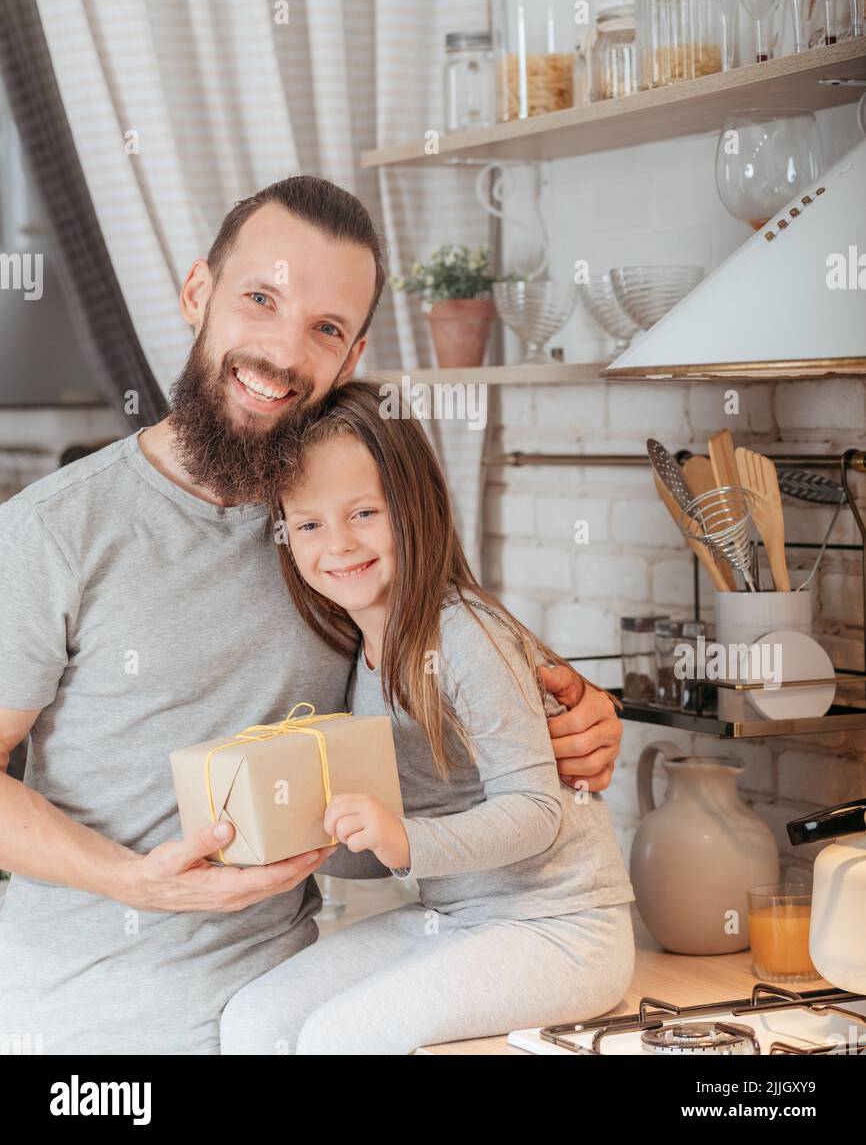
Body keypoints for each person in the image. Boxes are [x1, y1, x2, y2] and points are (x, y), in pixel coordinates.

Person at [0, 175, 624, 1055]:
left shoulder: (332, 524)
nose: (283, 352)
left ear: (351, 354)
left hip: (284, 1009)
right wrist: (140, 883)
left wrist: (583, 713)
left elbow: (462, 657)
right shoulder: (50, 532)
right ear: (196, 293)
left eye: (325, 328)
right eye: (261, 298)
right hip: (82, 1033)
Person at [220, 381, 635, 1055]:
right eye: (309, 524)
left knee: (338, 1037)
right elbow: (385, 855)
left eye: (363, 513)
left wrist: (403, 839)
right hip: (451, 916)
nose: (338, 544)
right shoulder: (363, 653)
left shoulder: (466, 634)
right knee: (254, 1019)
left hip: (561, 928)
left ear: (414, 507)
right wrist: (298, 849)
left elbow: (536, 811)